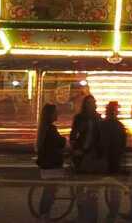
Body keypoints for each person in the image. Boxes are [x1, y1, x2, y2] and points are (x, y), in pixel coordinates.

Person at [69, 95, 101, 223]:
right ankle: (82, 213)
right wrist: (75, 147)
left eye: (93, 102)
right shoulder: (79, 118)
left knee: (92, 186)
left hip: (92, 154)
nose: (92, 105)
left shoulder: (98, 118)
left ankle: (92, 215)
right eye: (89, 103)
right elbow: (73, 134)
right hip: (81, 154)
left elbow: (99, 136)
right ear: (85, 105)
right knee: (81, 185)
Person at [35, 103, 66, 218]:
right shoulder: (51, 129)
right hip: (52, 164)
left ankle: (44, 213)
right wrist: (63, 140)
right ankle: (44, 214)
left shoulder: (43, 128)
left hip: (45, 163)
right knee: (50, 191)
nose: (57, 114)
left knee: (48, 189)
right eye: (55, 112)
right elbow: (59, 142)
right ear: (50, 115)